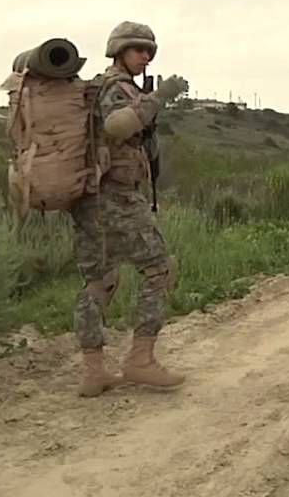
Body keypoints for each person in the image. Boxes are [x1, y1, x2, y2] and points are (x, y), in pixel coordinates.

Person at [71, 21, 189, 397]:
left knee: (99, 281)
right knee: (158, 268)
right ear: (119, 51)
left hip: (89, 199)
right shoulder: (114, 89)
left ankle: (94, 372)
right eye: (139, 49)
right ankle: (140, 360)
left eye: (150, 51)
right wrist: (160, 97)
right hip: (116, 197)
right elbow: (118, 126)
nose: (146, 56)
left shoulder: (100, 87)